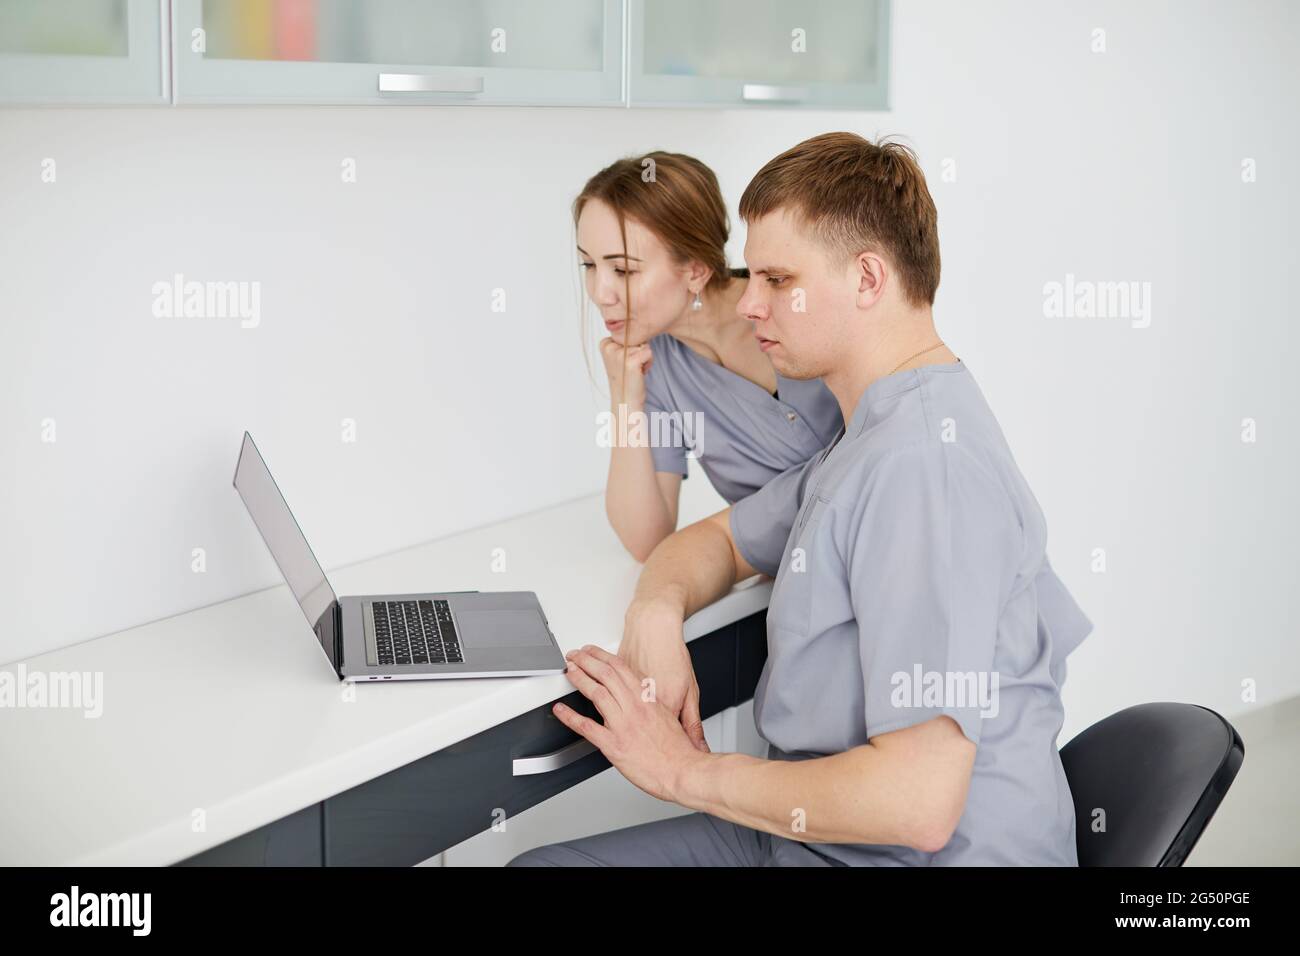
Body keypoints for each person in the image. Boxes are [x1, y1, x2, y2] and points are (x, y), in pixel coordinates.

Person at [510, 133, 1093, 866]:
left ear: (868, 280)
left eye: (779, 281)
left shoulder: (922, 468)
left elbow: (919, 806)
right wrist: (655, 608)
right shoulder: (866, 439)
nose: (747, 303)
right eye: (750, 276)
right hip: (815, 834)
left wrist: (684, 771)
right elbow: (715, 541)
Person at [575, 152, 843, 561]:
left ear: (696, 271)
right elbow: (647, 540)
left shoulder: (798, 304)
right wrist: (625, 402)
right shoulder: (656, 368)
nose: (600, 293)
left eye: (624, 271)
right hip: (792, 580)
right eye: (589, 265)